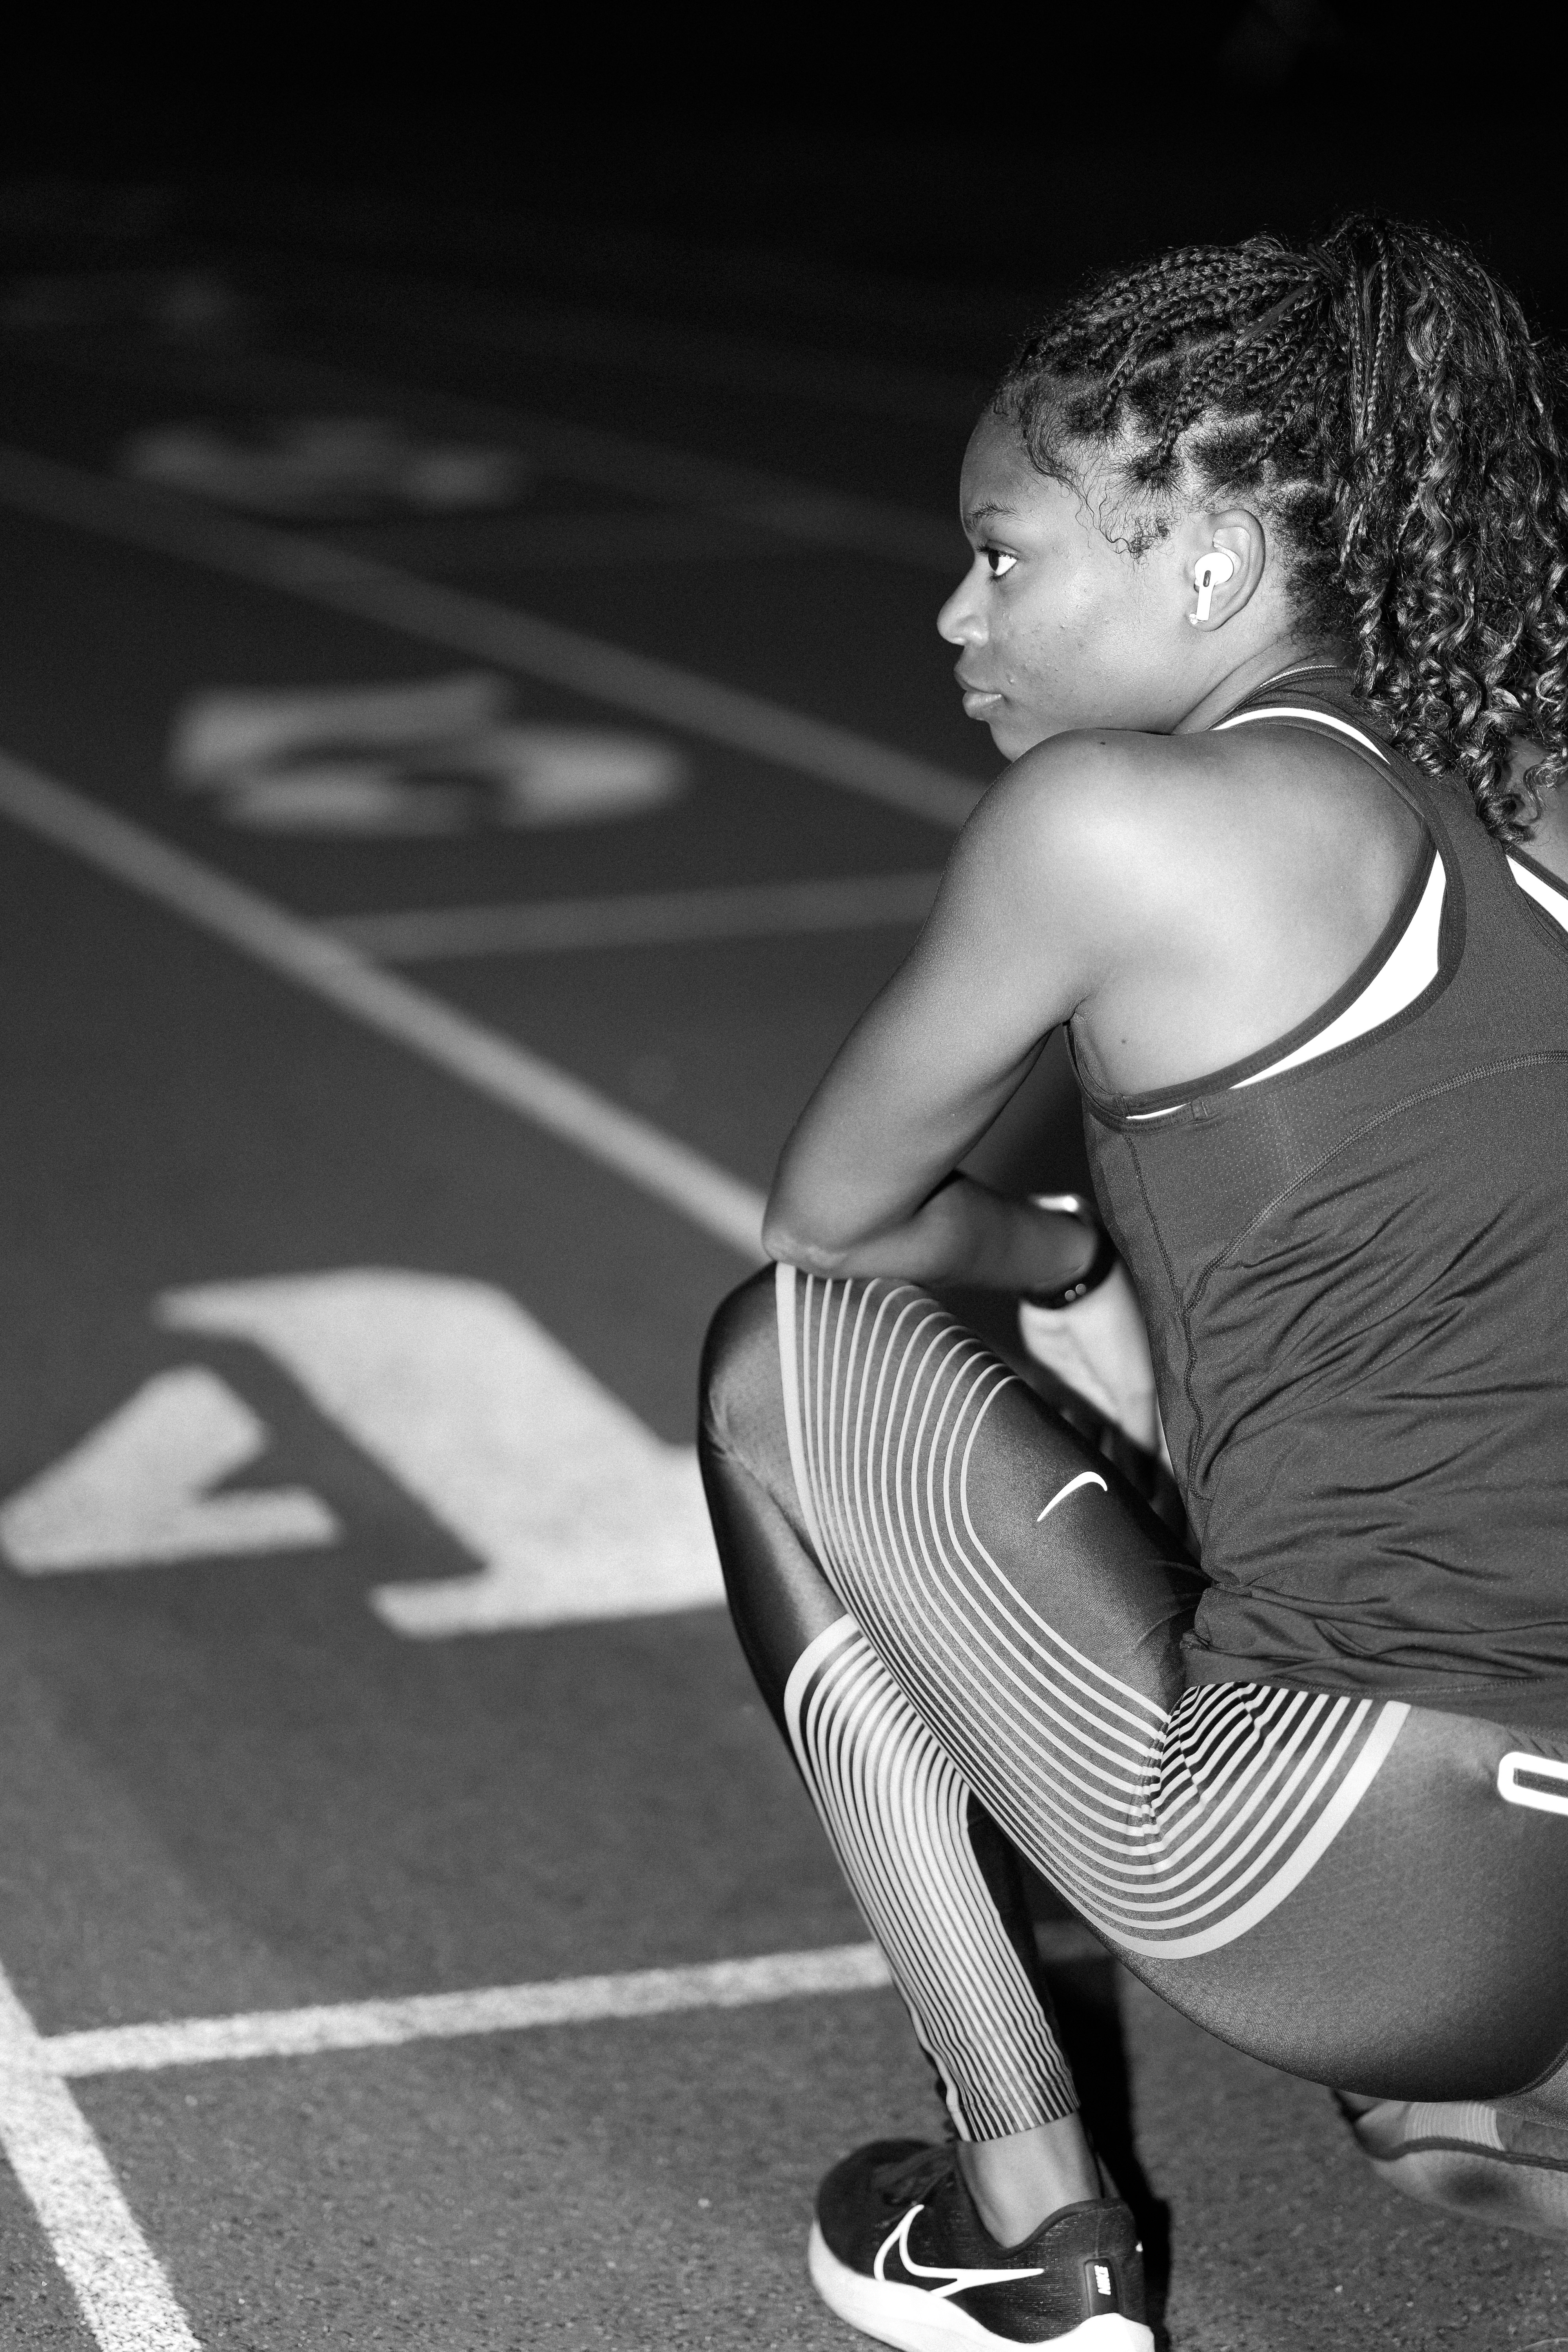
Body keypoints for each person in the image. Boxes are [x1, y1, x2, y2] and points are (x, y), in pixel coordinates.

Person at [698, 216, 1568, 2352]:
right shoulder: (1531, 785)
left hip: (1344, 1876)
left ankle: (1025, 2220)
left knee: (780, 1367)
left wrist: (1061, 1250)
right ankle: (1523, 2082)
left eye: (1006, 555)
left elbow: (837, 1214)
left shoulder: (1120, 824)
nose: (956, 611)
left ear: (1202, 564)